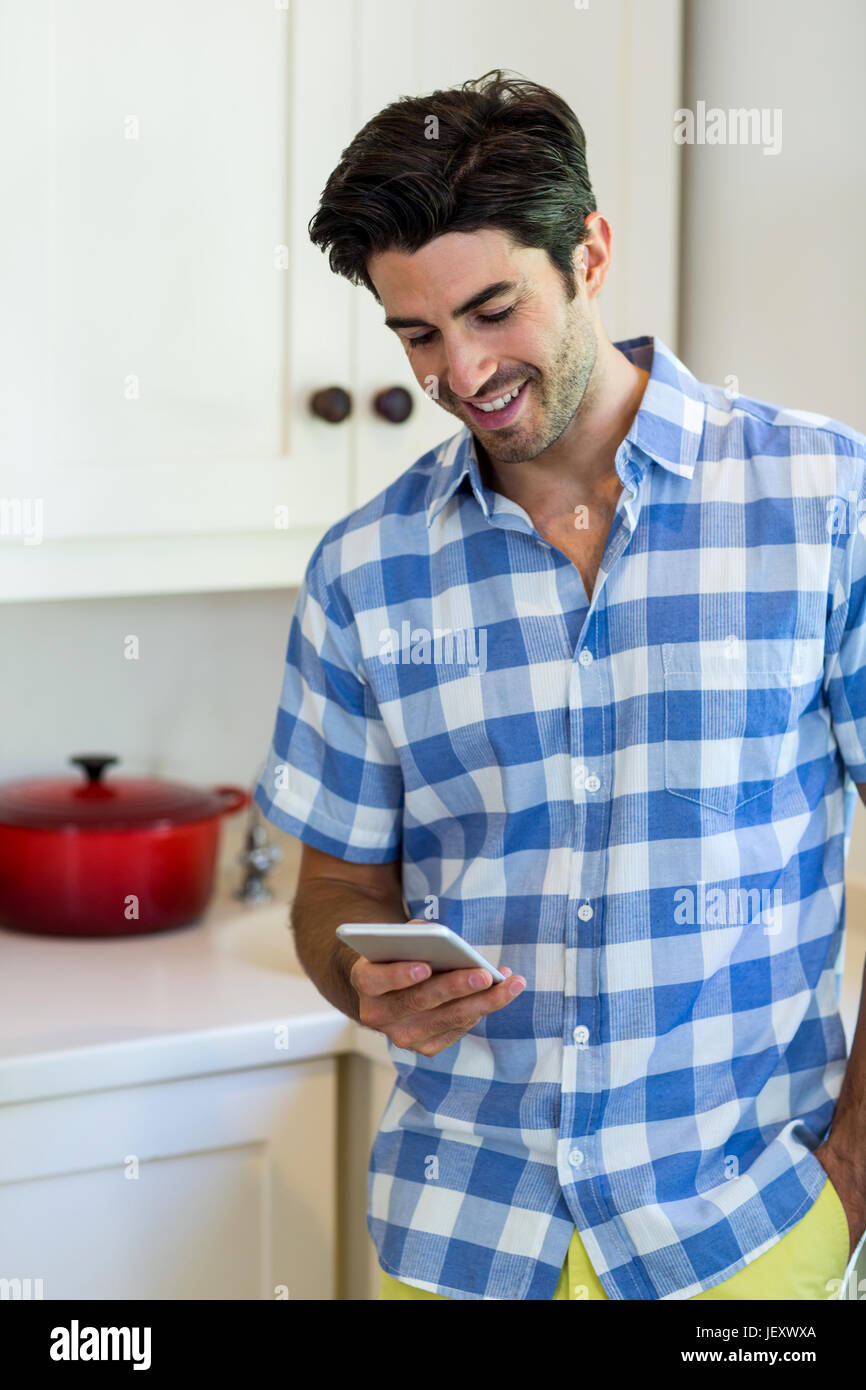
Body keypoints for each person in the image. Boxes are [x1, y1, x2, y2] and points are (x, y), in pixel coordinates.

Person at [254, 70, 866, 1300]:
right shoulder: (364, 571)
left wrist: (850, 1170)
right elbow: (332, 889)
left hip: (745, 1235)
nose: (461, 372)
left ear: (586, 249)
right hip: (461, 1238)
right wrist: (361, 980)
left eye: (492, 310)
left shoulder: (822, 506)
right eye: (415, 333)